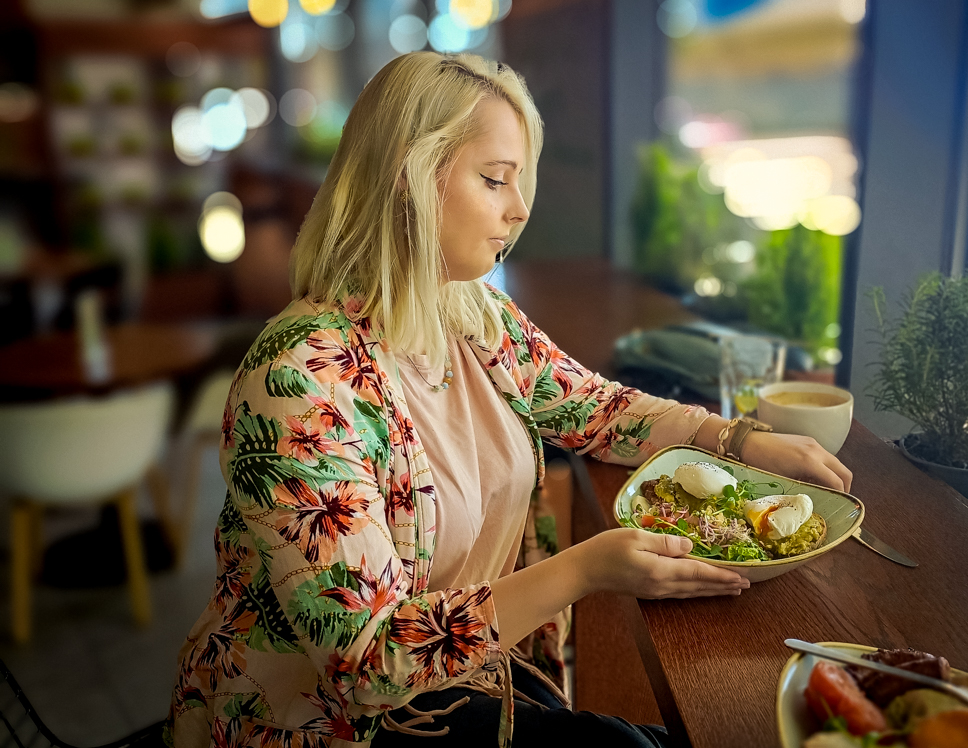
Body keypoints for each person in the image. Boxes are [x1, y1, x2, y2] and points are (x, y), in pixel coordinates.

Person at [165, 51, 852, 748]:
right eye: (495, 179)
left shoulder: (471, 313)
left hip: (460, 684)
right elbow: (366, 666)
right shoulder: (299, 379)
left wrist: (739, 439)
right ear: (408, 177)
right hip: (324, 723)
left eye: (519, 181)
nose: (520, 208)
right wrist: (585, 569)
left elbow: (596, 409)